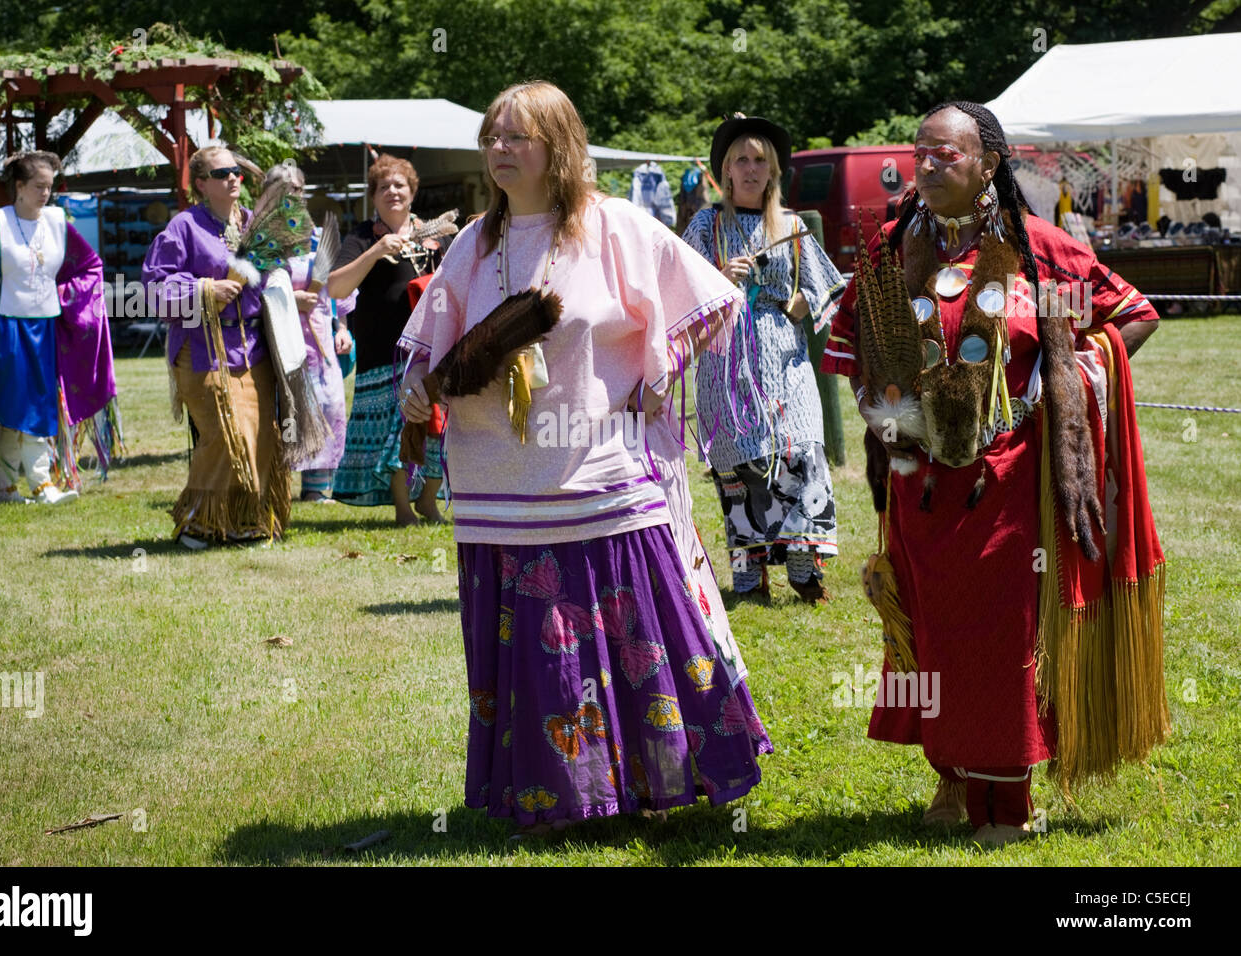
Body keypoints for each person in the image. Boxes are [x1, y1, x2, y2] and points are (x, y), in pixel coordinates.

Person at [398, 80, 770, 835]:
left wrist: (653, 376)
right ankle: (561, 795)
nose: (499, 149)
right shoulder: (476, 243)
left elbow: (708, 304)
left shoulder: (615, 228)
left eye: (516, 137)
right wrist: (416, 390)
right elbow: (429, 346)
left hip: (602, 475)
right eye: (492, 137)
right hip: (501, 485)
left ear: (558, 147)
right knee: (541, 659)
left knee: (639, 635)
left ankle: (656, 778)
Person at [824, 101, 1167, 846]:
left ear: (989, 164)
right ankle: (951, 776)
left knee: (1002, 636)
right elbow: (846, 343)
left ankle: (1006, 800)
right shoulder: (891, 252)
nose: (929, 163)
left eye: (948, 153)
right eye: (921, 151)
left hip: (1012, 484)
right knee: (931, 627)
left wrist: (1070, 381)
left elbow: (1133, 314)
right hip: (918, 485)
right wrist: (885, 410)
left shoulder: (1040, 252)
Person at [682, 116, 846, 604]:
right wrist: (716, 276)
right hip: (725, 367)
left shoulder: (792, 226)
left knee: (801, 456)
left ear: (772, 170)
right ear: (725, 171)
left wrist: (802, 304)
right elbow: (675, 292)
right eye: (740, 161)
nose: (750, 169)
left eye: (759, 161)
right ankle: (749, 579)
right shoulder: (705, 224)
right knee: (739, 472)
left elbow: (828, 288)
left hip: (786, 361)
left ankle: (803, 571)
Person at [0, 150, 116, 507]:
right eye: (38, 186)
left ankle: (36, 482)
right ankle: (10, 485)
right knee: (5, 407)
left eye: (50, 186)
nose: (45, 194)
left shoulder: (56, 222)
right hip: (4, 331)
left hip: (45, 330)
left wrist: (65, 295)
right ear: (18, 187)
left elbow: (90, 266)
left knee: (38, 403)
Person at [142, 146, 290, 549]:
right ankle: (199, 521)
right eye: (222, 172)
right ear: (202, 184)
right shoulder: (184, 228)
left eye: (237, 171)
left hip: (255, 346)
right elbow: (154, 288)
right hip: (202, 346)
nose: (233, 178)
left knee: (259, 437)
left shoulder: (254, 225)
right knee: (227, 436)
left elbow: (280, 272)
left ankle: (246, 520)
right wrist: (205, 288)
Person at [328, 155, 449, 524]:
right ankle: (401, 508)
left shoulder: (436, 235)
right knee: (393, 432)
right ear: (374, 196)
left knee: (436, 428)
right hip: (384, 352)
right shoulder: (363, 237)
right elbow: (336, 286)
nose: (392, 192)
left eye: (399, 185)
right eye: (384, 187)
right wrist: (376, 251)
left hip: (432, 350)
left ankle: (428, 501)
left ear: (412, 192)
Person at [259, 163, 354, 502]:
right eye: (284, 189)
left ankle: (318, 486)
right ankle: (280, 483)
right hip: (283, 340)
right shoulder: (262, 239)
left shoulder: (316, 237)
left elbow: (339, 287)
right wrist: (288, 297)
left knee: (327, 407)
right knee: (290, 409)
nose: (292, 195)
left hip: (321, 339)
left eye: (297, 189)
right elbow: (252, 287)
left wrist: (343, 327)